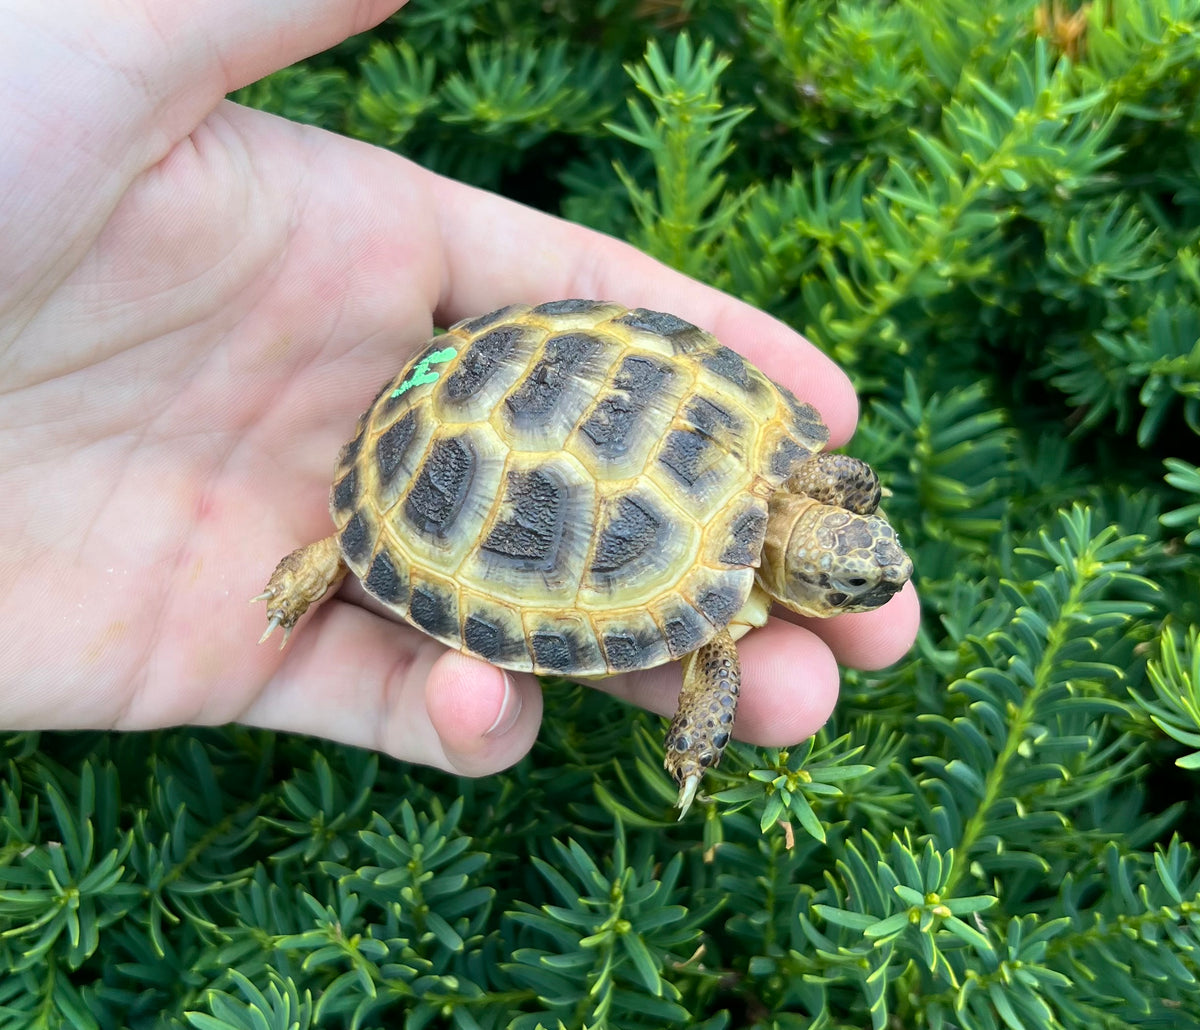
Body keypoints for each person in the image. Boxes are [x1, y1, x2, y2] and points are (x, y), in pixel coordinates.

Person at [0, 0, 919, 781]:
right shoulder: (714, 627)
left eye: (859, 572)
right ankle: (335, 556)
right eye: (858, 575)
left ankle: (342, 554)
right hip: (477, 421)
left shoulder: (774, 463)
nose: (875, 575)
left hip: (517, 358)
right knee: (379, 569)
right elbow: (726, 656)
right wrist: (695, 744)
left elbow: (852, 485)